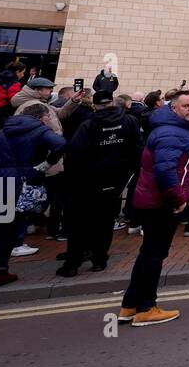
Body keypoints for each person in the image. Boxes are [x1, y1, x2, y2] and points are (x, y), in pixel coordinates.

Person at [0, 102, 66, 290]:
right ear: (42, 117)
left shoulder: (4, 130)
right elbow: (60, 144)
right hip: (21, 179)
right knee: (10, 227)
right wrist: (46, 164)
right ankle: (0, 271)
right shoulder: (38, 130)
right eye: (47, 118)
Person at [120, 92, 189, 326]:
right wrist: (179, 200)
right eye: (186, 106)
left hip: (153, 200)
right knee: (154, 255)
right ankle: (146, 308)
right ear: (173, 108)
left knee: (149, 253)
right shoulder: (171, 133)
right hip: (161, 203)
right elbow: (166, 171)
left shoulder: (170, 128)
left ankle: (129, 305)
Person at [58, 89, 140, 276]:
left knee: (79, 224)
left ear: (94, 106)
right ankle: (99, 260)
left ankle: (72, 265)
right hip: (115, 181)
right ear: (111, 102)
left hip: (87, 182)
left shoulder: (89, 124)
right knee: (104, 223)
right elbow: (137, 149)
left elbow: (74, 154)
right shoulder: (129, 122)